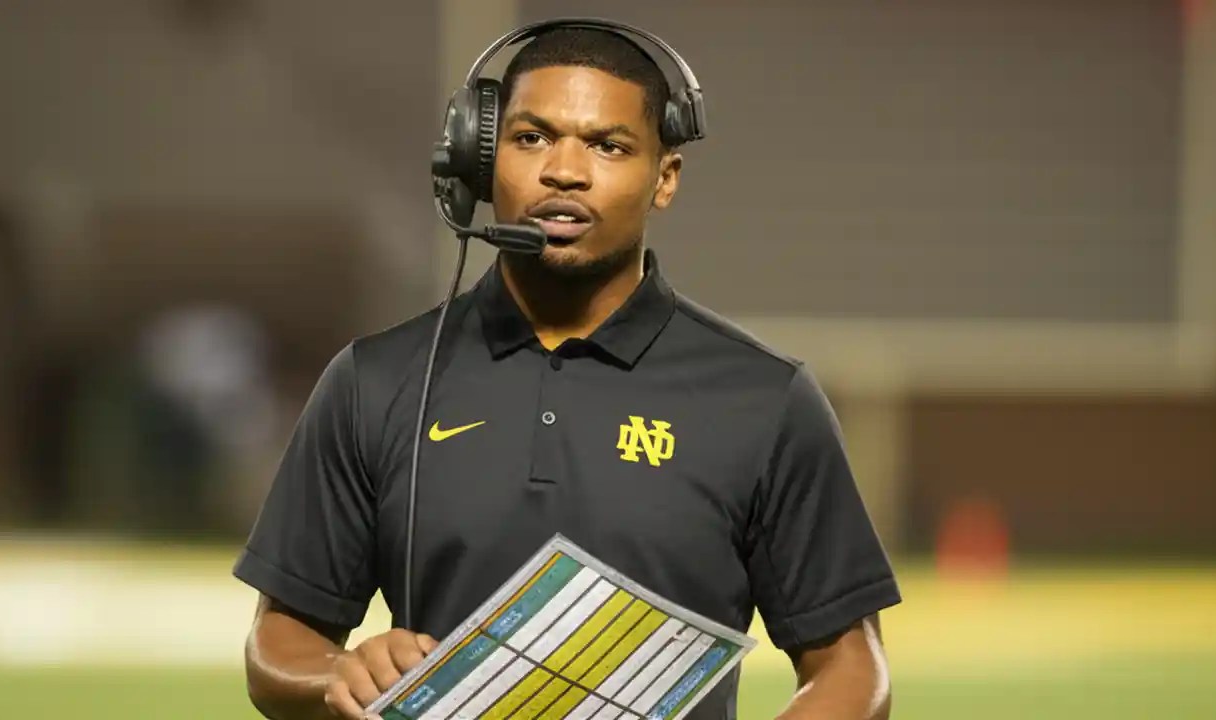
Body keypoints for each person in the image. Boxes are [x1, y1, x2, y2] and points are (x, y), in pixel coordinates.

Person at [234, 23, 900, 720]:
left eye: (608, 146)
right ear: (481, 159)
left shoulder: (765, 399)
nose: (564, 171)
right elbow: (278, 644)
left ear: (664, 178)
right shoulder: (374, 380)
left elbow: (852, 665)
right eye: (531, 139)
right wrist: (341, 672)